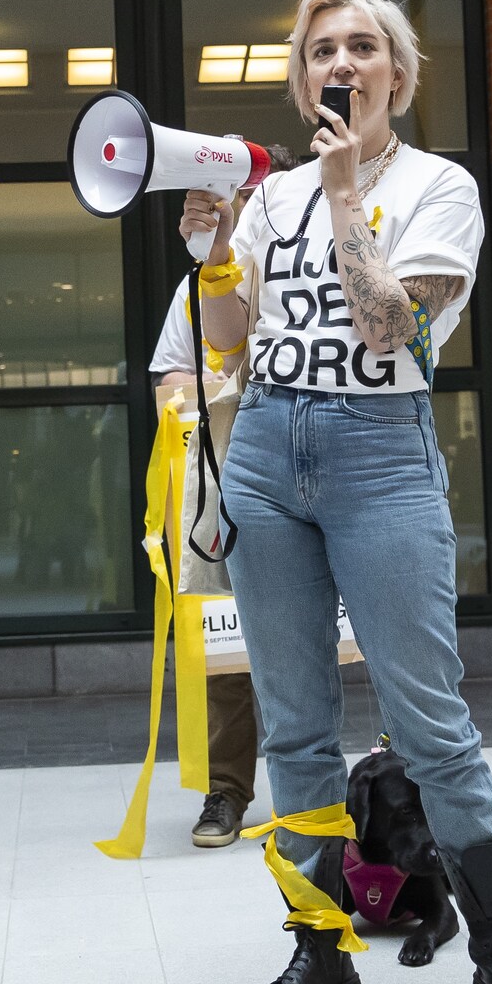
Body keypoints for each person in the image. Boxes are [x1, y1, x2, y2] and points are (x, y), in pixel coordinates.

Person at [187, 0, 492, 984]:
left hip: (378, 449)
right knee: (295, 724)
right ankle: (318, 952)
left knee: (427, 718)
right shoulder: (270, 200)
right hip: (265, 448)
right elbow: (229, 336)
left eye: (363, 47)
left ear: (397, 75)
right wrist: (216, 247)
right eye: (321, 50)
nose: (341, 62)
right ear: (301, 77)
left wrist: (348, 192)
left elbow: (387, 324)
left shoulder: (438, 188)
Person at [151, 146, 296, 850]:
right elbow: (170, 380)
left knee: (340, 632)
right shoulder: (200, 280)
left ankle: (365, 785)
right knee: (225, 635)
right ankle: (228, 788)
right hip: (228, 472)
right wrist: (215, 388)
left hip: (318, 465)